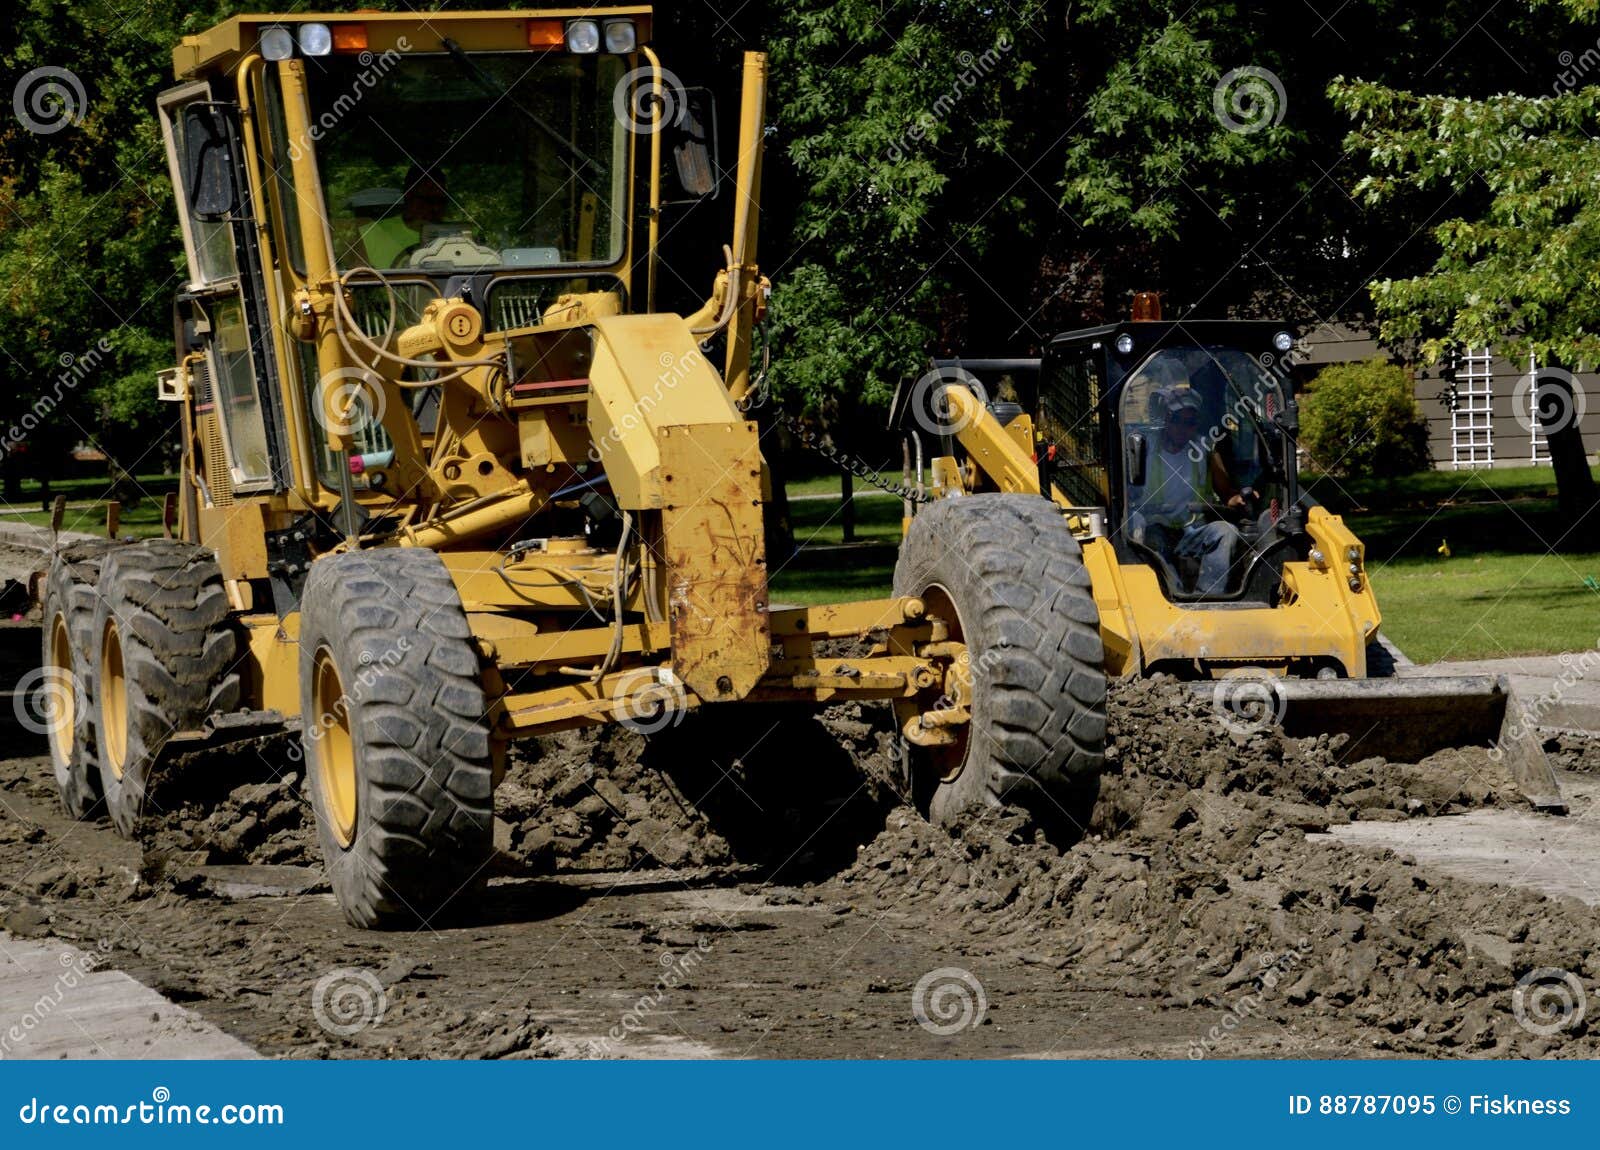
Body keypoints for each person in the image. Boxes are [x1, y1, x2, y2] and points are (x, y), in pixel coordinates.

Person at [1128, 386, 1253, 595]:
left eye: (1191, 423)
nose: (1184, 428)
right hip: (1154, 528)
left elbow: (1225, 492)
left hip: (1191, 531)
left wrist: (1237, 498)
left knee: (1226, 532)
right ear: (1167, 420)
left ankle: (1208, 595)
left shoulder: (1204, 450)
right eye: (1178, 420)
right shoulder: (1144, 447)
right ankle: (1171, 596)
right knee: (1136, 524)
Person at [359, 166, 448, 268]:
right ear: (408, 196)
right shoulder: (370, 234)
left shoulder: (458, 237)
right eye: (428, 200)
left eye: (441, 201)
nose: (435, 208)